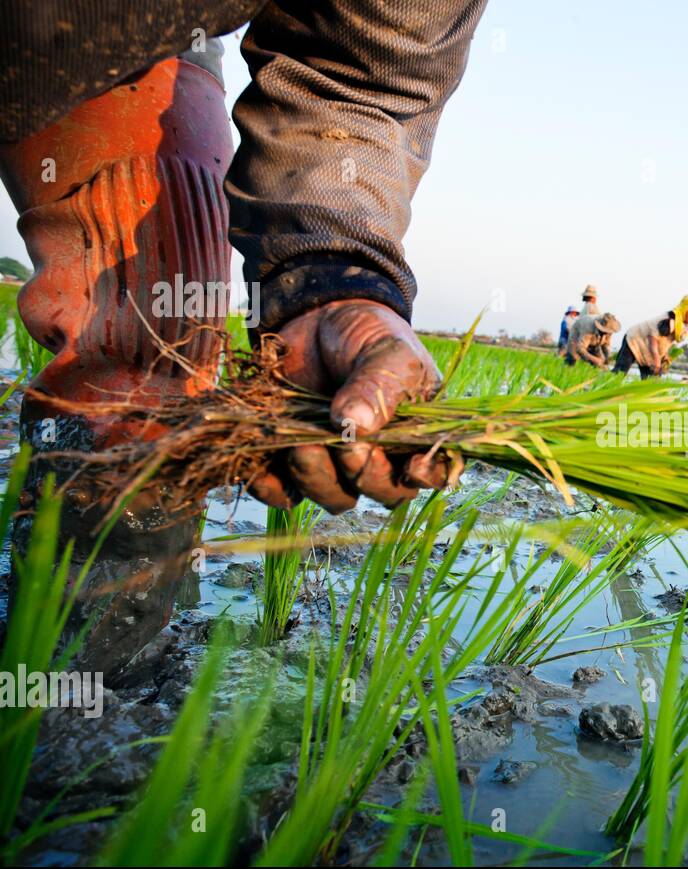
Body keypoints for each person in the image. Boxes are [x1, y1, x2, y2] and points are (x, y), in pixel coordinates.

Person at [0, 1, 483, 680]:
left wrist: (330, 277)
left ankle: (79, 691)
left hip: (124, 35)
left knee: (153, 332)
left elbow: (360, 77)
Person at [613, 294, 688, 378]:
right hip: (635, 339)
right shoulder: (669, 320)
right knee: (620, 372)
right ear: (684, 308)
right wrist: (657, 361)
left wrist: (664, 357)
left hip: (648, 349)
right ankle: (606, 388)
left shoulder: (681, 325)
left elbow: (665, 341)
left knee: (651, 379)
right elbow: (652, 339)